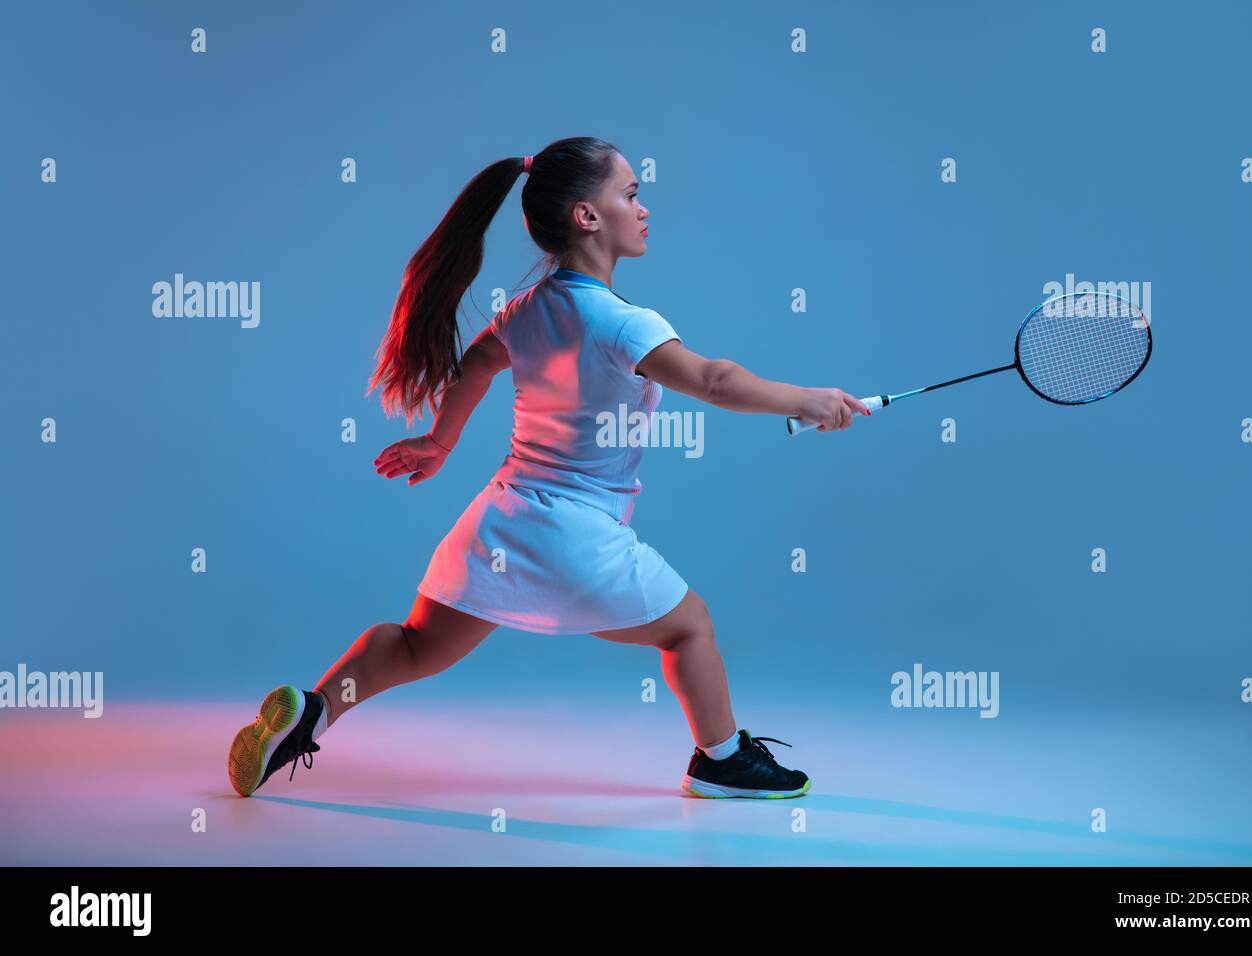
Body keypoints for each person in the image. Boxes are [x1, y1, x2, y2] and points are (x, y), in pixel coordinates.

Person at [227, 137, 869, 800]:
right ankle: (722, 759)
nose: (645, 209)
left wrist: (441, 443)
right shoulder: (624, 323)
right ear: (587, 216)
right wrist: (809, 401)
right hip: (576, 537)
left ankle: (311, 712)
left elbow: (476, 364)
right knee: (689, 626)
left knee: (417, 645)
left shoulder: (529, 308)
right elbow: (711, 378)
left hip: (499, 522)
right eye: (631, 194)